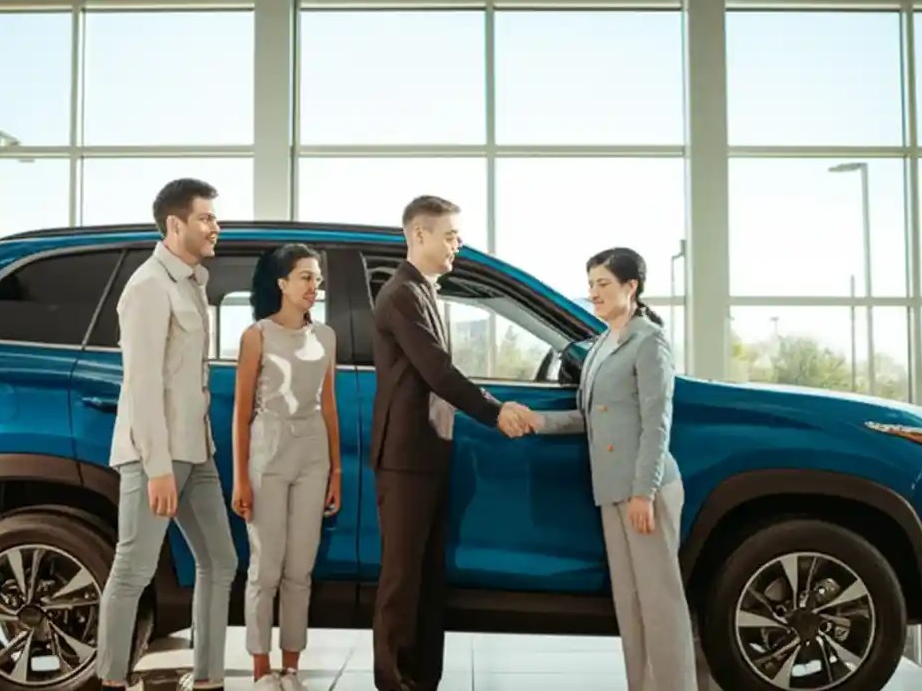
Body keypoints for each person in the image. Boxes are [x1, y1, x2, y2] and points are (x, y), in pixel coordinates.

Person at [369, 195, 533, 691]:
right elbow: (438, 371)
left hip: (430, 452)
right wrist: (495, 410)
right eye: (450, 235)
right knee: (401, 578)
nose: (457, 244)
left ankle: (421, 678)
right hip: (405, 457)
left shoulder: (425, 291)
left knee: (426, 574)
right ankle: (394, 680)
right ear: (419, 235)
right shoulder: (401, 294)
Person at [523, 247, 699, 691]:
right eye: (591, 285)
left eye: (602, 284)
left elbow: (657, 422)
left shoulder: (649, 341)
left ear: (631, 287)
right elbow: (593, 416)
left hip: (646, 489)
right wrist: (538, 421)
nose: (594, 293)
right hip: (611, 487)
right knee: (631, 602)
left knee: (660, 603)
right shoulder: (602, 343)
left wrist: (644, 491)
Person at [97, 178, 239, 691]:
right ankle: (110, 681)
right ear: (175, 224)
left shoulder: (191, 282)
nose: (215, 226)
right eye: (206, 218)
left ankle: (208, 680)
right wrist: (156, 467)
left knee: (220, 561)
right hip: (153, 456)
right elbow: (141, 384)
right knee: (133, 571)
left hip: (197, 451)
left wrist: (196, 453)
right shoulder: (148, 287)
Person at [230, 243, 341, 691]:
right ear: (282, 283)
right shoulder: (256, 335)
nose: (315, 287)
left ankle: (291, 668)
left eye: (317, 279)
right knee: (266, 567)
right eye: (306, 278)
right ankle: (261, 670)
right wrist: (240, 477)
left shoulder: (326, 337)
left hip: (313, 452)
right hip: (267, 451)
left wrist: (336, 472)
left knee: (301, 568)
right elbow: (240, 412)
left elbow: (329, 405)